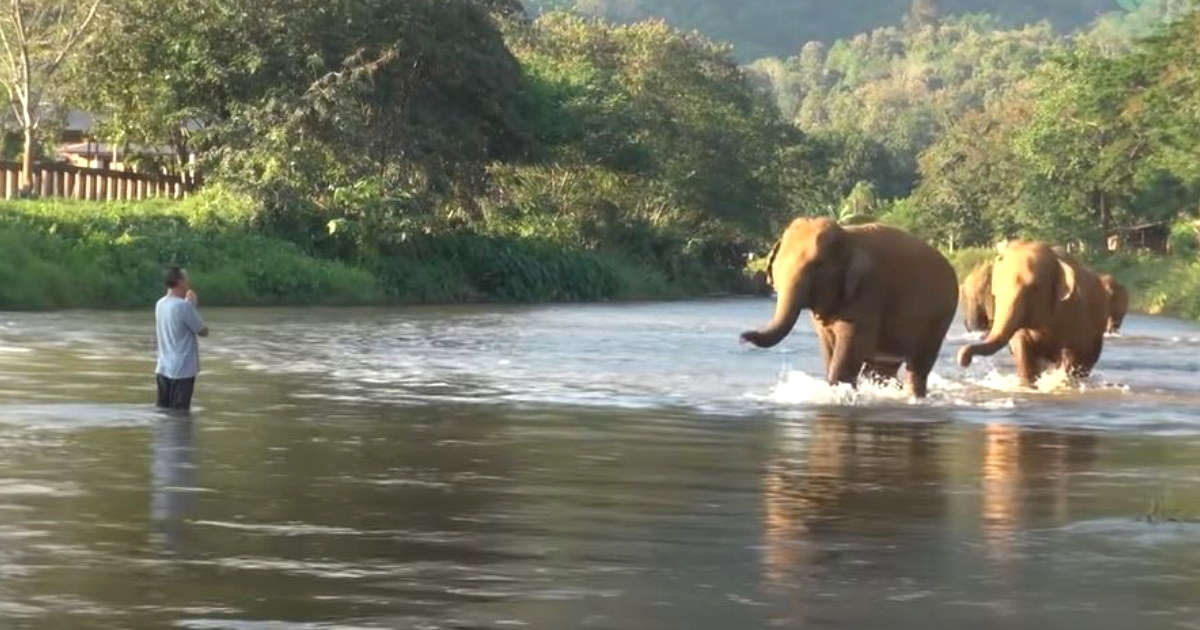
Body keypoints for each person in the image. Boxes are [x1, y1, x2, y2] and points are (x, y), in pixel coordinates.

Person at [155, 267, 208, 410]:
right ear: (179, 282)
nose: (188, 282)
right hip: (182, 370)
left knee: (163, 412)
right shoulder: (183, 306)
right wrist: (193, 306)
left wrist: (189, 306)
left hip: (163, 368)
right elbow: (203, 331)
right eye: (186, 279)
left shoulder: (159, 304)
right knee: (180, 415)